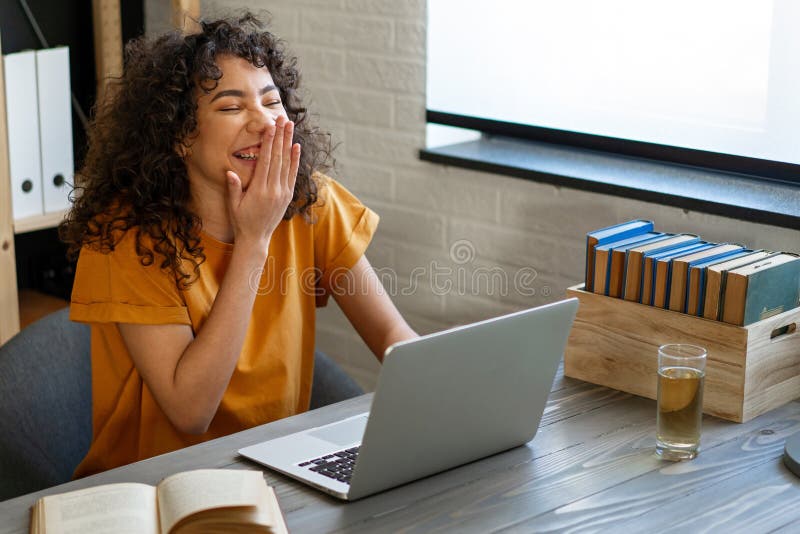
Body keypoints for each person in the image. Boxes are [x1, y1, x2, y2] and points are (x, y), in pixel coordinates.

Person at [59, 12, 417, 478]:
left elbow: (394, 340)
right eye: (231, 107)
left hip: (276, 474)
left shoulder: (311, 202)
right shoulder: (127, 235)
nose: (265, 123)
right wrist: (254, 240)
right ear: (180, 136)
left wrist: (456, 402)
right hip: (158, 489)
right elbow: (190, 412)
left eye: (272, 102)